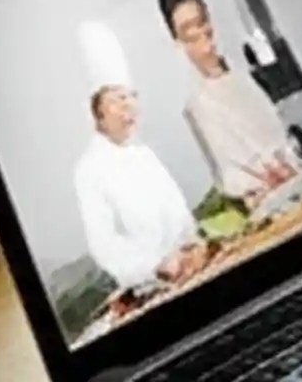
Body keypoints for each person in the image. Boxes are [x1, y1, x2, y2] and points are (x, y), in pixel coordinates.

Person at [159, 0, 299, 209]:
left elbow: (278, 131)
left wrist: (289, 159)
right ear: (177, 40)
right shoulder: (197, 104)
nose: (200, 34)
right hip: (268, 204)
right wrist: (264, 177)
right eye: (187, 30)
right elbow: (229, 177)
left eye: (201, 22)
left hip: (297, 182)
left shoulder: (243, 74)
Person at [74, 84, 207, 290]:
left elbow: (176, 206)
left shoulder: (143, 154)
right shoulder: (90, 169)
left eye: (128, 99)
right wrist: (156, 266)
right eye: (115, 102)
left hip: (190, 266)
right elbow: (104, 244)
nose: (126, 106)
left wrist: (192, 242)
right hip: (151, 282)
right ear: (99, 119)